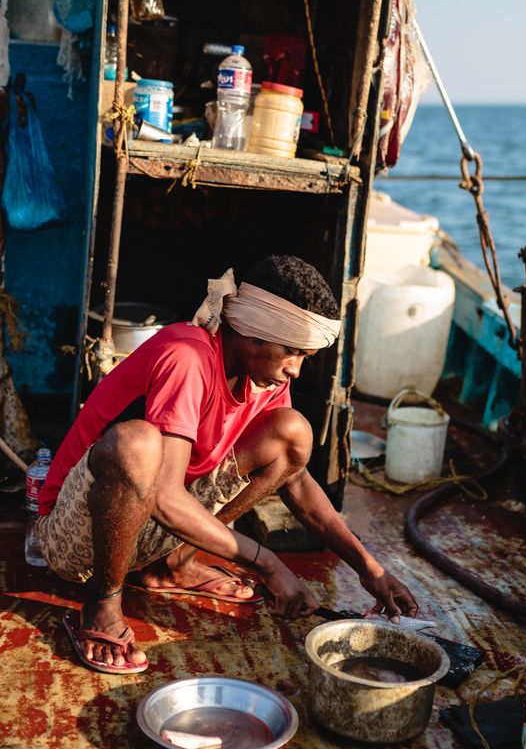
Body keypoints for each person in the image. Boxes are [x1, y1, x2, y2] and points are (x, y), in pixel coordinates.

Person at [37, 255, 419, 674]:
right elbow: (165, 496)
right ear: (253, 335)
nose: (295, 370)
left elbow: (296, 481)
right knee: (138, 443)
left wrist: (369, 568)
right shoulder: (188, 355)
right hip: (81, 541)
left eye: (304, 357)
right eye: (291, 352)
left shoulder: (263, 379)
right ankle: (103, 604)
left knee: (293, 433)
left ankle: (173, 565)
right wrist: (266, 562)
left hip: (153, 529)